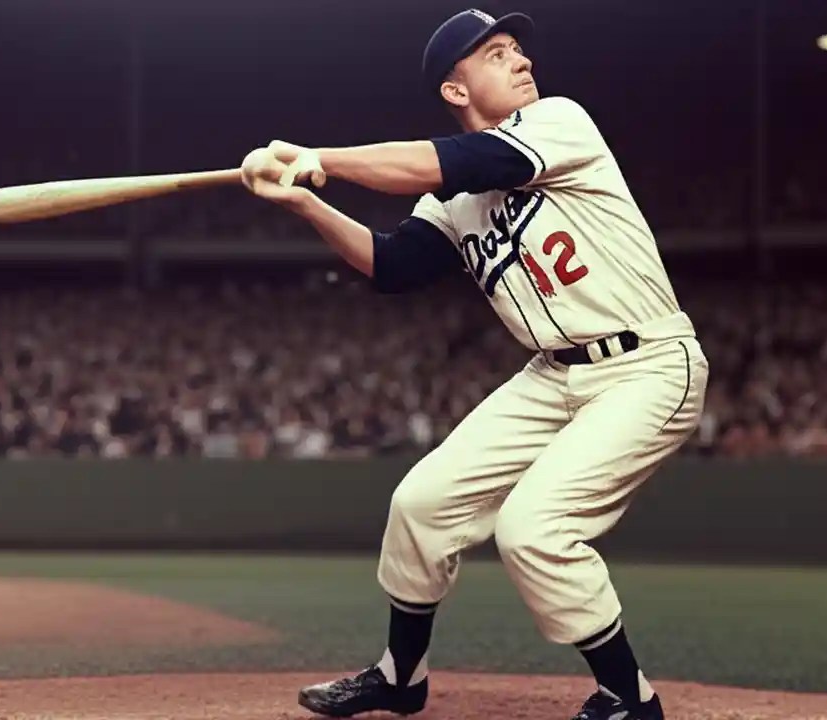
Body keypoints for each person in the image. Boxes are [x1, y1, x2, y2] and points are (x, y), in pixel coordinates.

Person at [239, 8, 708, 720]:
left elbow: (449, 163)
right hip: (554, 375)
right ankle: (401, 676)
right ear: (456, 90)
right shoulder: (455, 202)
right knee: (420, 505)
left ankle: (628, 698)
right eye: (496, 53)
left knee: (535, 529)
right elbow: (392, 265)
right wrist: (306, 201)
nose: (521, 61)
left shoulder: (559, 123)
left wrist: (323, 158)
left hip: (646, 364)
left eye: (518, 49)